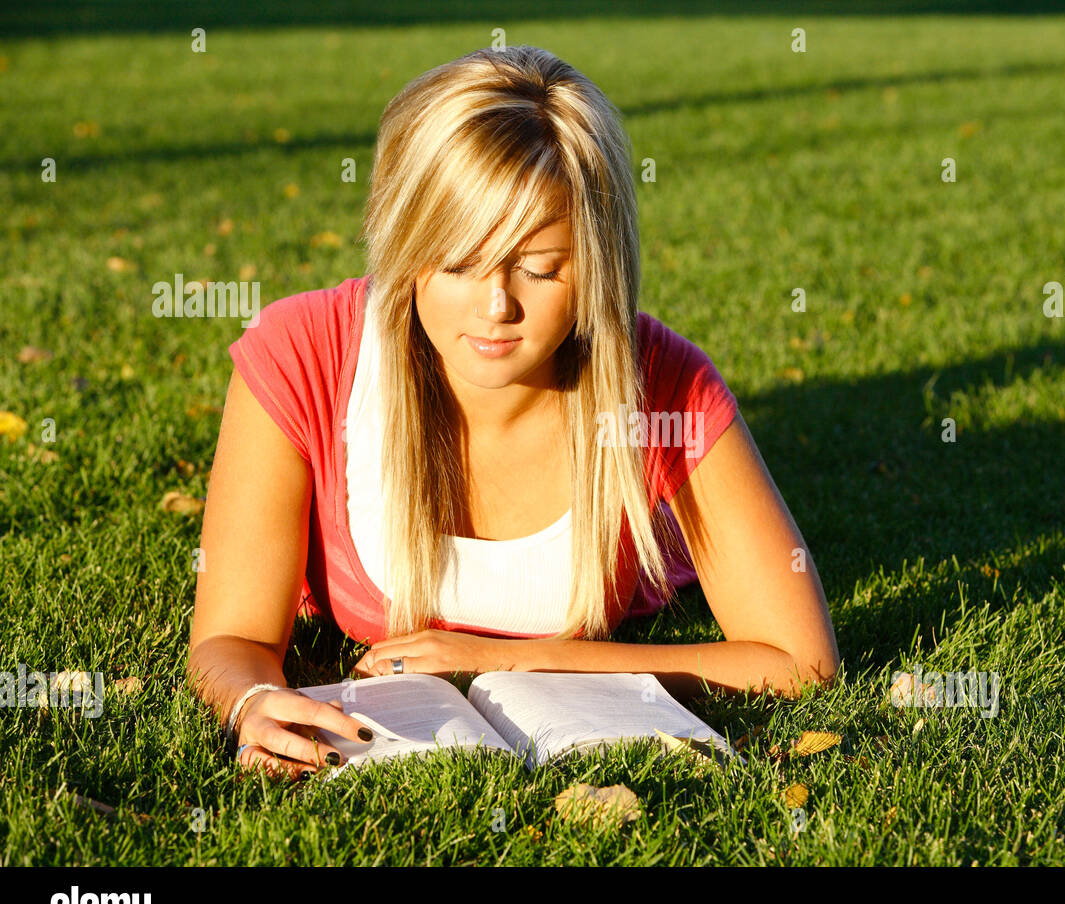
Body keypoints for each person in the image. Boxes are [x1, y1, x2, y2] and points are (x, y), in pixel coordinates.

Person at [186, 45, 839, 779]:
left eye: (538, 268)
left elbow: (798, 661)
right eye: (459, 262)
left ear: (597, 261)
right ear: (406, 246)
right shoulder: (304, 353)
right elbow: (232, 636)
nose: (496, 307)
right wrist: (252, 702)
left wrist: (498, 659)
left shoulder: (662, 385)